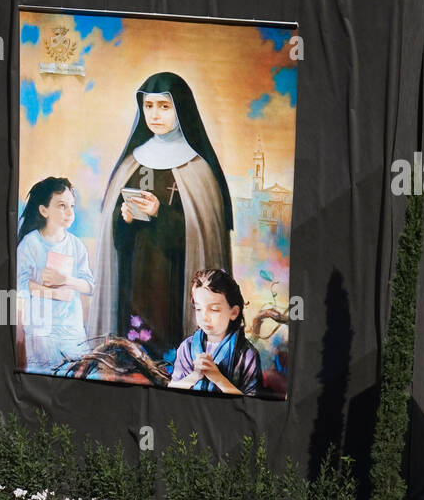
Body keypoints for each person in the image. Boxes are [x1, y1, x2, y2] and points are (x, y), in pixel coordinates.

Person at [88, 72, 233, 360]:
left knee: (168, 348)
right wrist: (124, 220)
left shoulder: (198, 169)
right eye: (149, 106)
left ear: (180, 108)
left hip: (174, 279)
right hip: (134, 278)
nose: (155, 115)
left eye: (164, 107)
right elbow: (115, 239)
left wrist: (161, 214)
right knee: (132, 347)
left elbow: (201, 236)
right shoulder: (132, 162)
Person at [16, 177, 94, 375]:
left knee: (75, 377)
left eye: (72, 206)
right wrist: (55, 294)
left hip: (71, 331)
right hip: (41, 332)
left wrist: (66, 281)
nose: (69, 212)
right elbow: (19, 284)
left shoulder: (76, 246)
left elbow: (89, 286)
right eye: (61, 206)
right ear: (44, 210)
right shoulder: (30, 244)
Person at [168, 267, 263, 396]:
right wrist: (195, 375)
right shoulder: (187, 347)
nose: (204, 317)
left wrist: (218, 378)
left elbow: (253, 404)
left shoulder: (247, 354)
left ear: (234, 312)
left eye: (214, 309)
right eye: (198, 309)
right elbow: (172, 390)